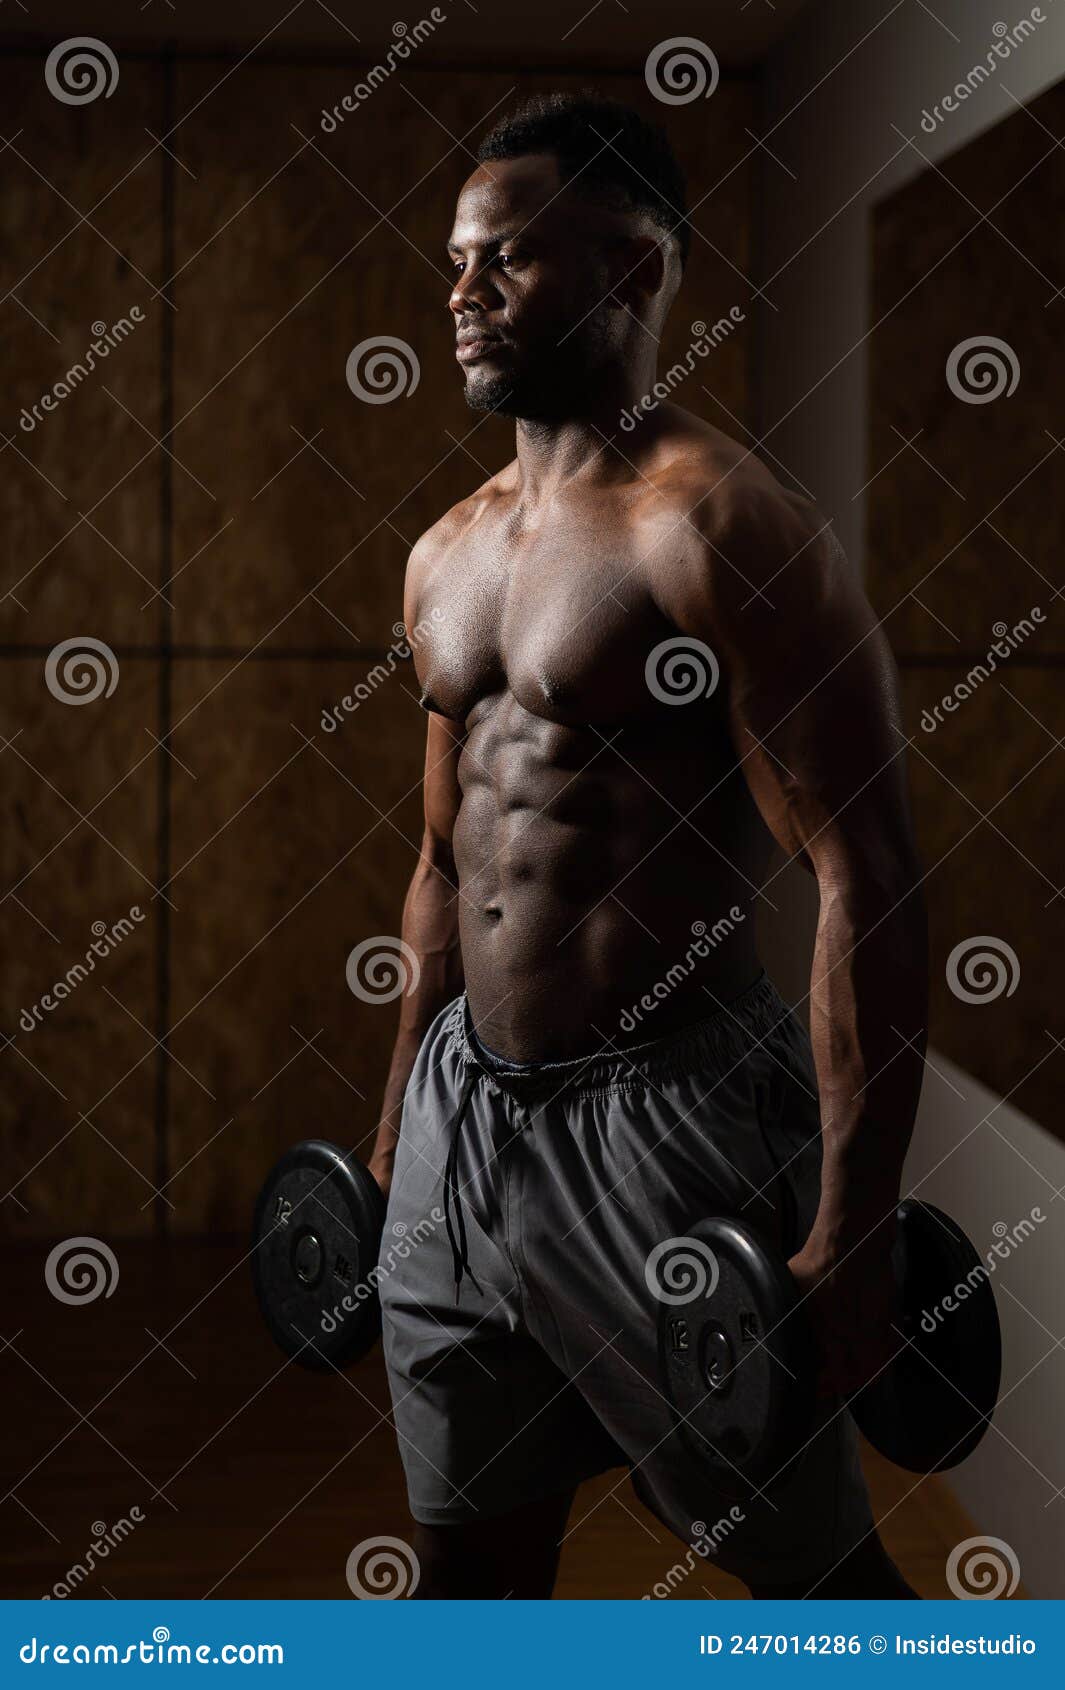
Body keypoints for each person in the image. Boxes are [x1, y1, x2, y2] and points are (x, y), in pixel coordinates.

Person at [368, 91, 928, 1599]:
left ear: (633, 270)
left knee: (816, 1587)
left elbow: (861, 873)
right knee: (466, 1572)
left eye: (508, 262)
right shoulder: (446, 549)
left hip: (665, 1129)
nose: (462, 296)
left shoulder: (721, 528)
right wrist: (390, 1136)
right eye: (456, 264)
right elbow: (441, 866)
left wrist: (852, 1227)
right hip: (457, 1119)